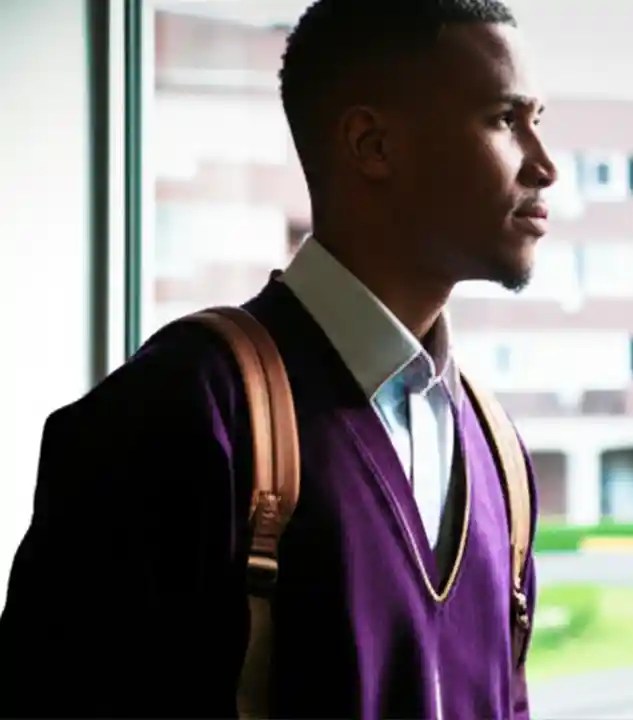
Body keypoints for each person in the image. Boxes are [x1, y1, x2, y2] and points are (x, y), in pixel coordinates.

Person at [0, 0, 555, 717]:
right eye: (504, 120)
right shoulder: (180, 412)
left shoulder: (497, 450)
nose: (544, 166)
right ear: (371, 144)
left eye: (538, 122)